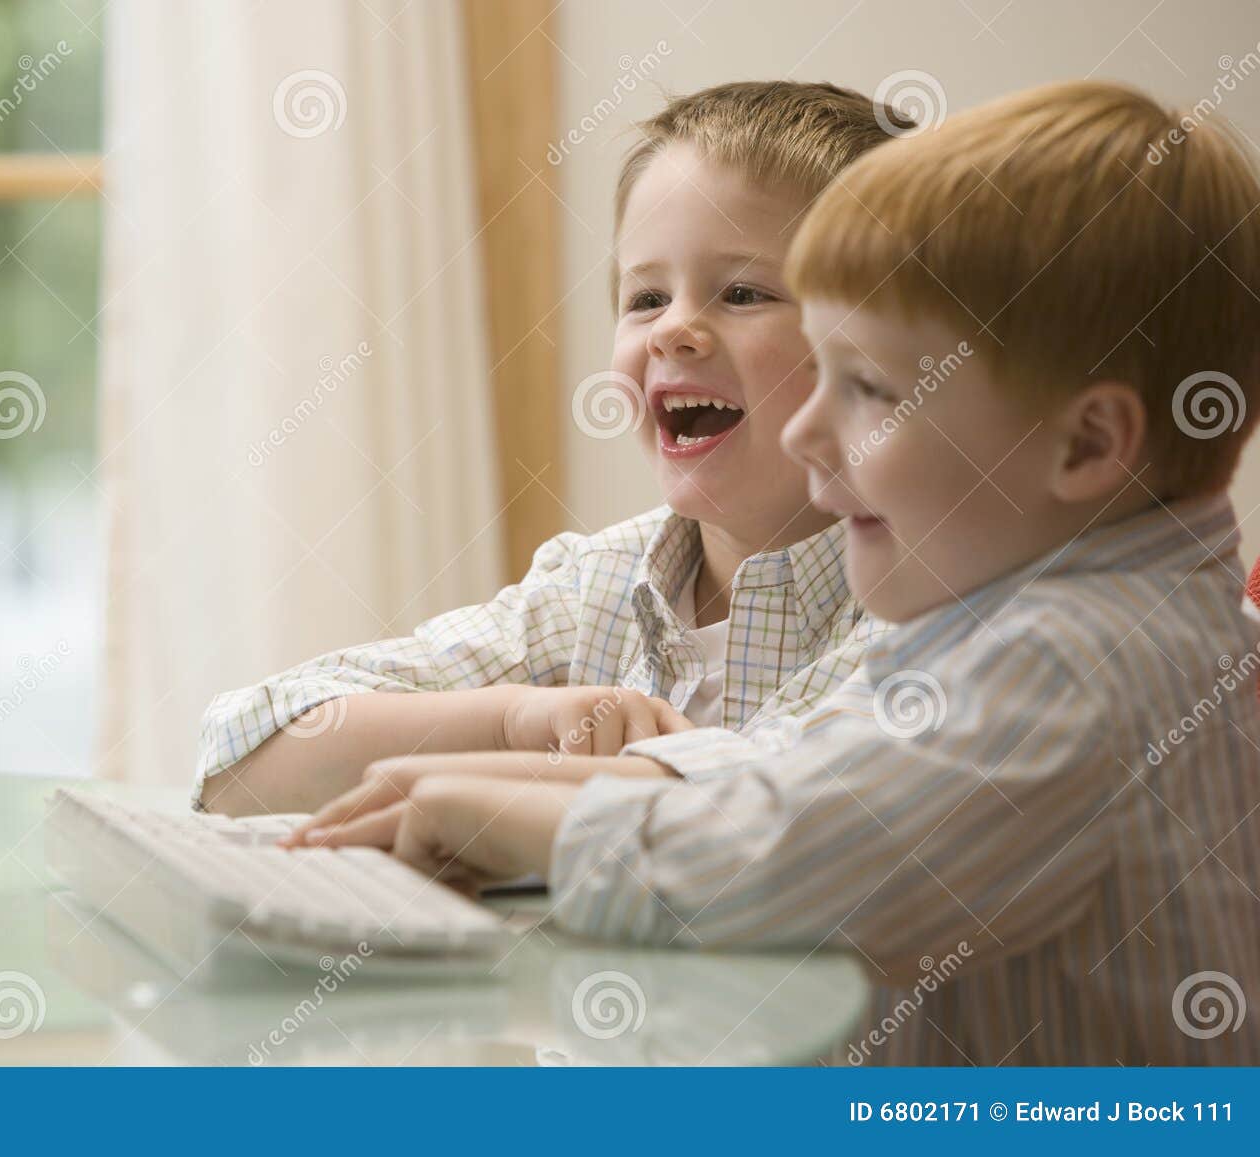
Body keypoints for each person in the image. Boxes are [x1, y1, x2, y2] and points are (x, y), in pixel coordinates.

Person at [295, 80, 1260, 1065]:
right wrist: (476, 775)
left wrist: (509, 818)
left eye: (871, 389)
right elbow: (797, 775)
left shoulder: (1079, 656)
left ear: (1087, 442)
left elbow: (798, 854)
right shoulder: (1045, 618)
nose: (804, 429)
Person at [196, 81, 908, 815]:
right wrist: (510, 721)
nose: (672, 330)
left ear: (888, 351)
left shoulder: (929, 599)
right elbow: (240, 759)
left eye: (743, 293)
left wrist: (507, 795)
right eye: (645, 299)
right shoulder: (594, 590)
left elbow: (799, 805)